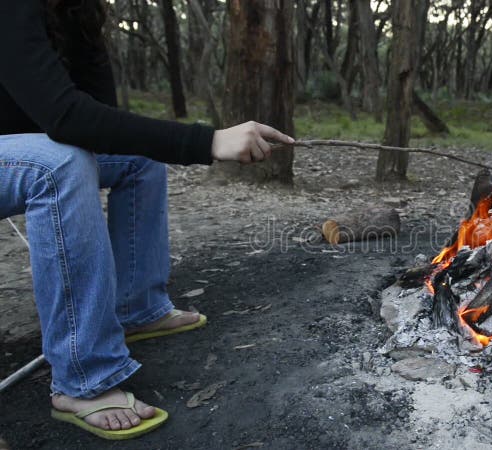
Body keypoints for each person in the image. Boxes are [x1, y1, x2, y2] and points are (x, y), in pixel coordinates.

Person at [0, 0, 294, 439]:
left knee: (136, 157)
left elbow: (99, 119)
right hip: (24, 156)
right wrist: (208, 141)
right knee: (58, 164)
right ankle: (83, 379)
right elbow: (65, 118)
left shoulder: (77, 12)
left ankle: (136, 307)